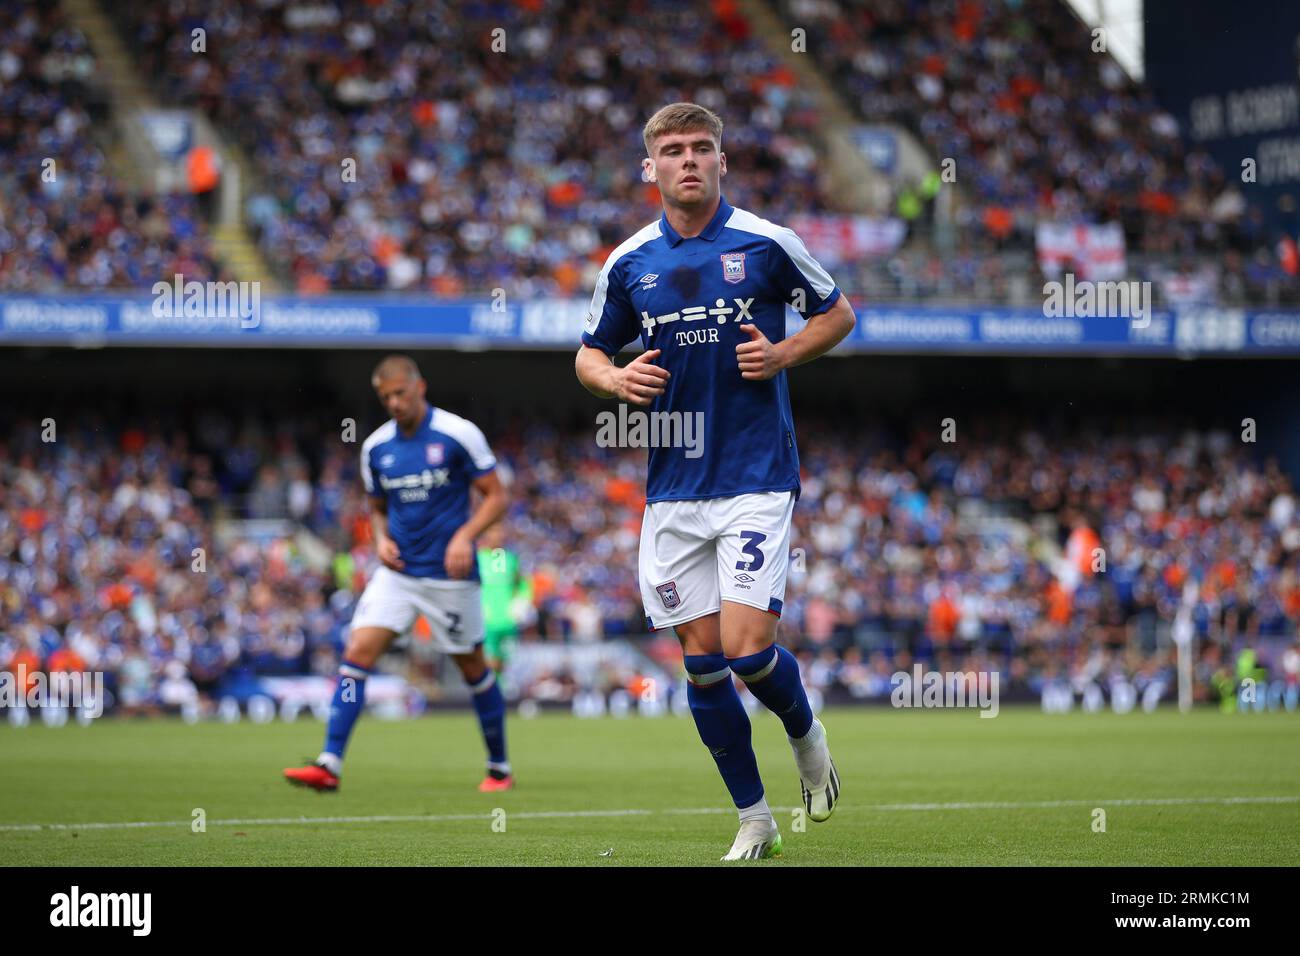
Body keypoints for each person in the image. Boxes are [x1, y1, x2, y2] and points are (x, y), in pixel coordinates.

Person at [574, 102, 857, 860]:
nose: (689, 160)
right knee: (701, 665)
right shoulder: (629, 261)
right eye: (673, 150)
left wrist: (785, 354)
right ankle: (755, 819)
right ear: (651, 167)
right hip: (672, 489)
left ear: (722, 160)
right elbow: (587, 353)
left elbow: (839, 315)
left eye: (702, 148)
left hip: (756, 475)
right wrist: (614, 379)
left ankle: (806, 733)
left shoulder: (767, 244)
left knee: (745, 649)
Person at [284, 355, 512, 793]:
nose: (393, 402)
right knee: (357, 652)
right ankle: (329, 763)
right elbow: (376, 509)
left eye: (400, 393)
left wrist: (466, 536)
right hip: (399, 573)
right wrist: (379, 541)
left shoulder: (458, 434)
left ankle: (499, 767)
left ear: (419, 387)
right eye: (385, 396)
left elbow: (496, 498)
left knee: (472, 668)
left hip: (449, 575)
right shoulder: (376, 448)